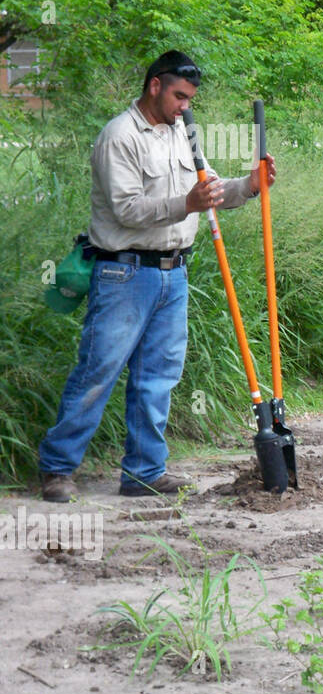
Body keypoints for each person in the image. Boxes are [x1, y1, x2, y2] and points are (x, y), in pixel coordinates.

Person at [38, 50, 277, 501]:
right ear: (155, 86)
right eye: (179, 96)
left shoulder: (182, 133)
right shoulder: (119, 136)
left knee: (158, 378)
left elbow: (207, 190)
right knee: (98, 371)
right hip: (123, 274)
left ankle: (144, 472)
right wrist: (185, 204)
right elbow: (126, 209)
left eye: (190, 99)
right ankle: (56, 469)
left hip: (175, 274)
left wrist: (248, 185)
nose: (185, 106)